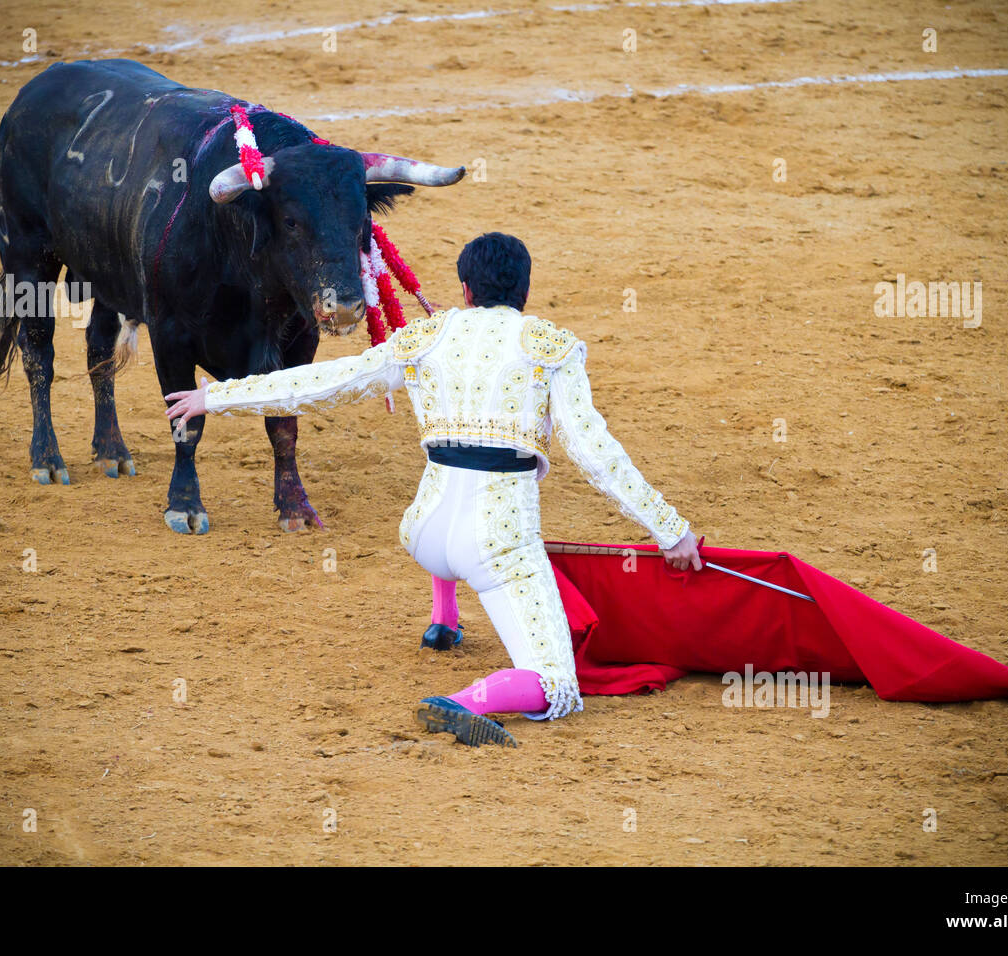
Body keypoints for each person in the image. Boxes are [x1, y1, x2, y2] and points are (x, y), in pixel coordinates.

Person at [165, 233, 702, 747]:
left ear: (466, 291)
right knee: (557, 687)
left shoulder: (425, 338)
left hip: (423, 531)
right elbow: (593, 452)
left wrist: (218, 397)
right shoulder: (551, 347)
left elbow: (325, 381)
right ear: (526, 291)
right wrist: (670, 529)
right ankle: (464, 702)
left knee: (447, 510)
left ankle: (443, 620)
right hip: (496, 544)